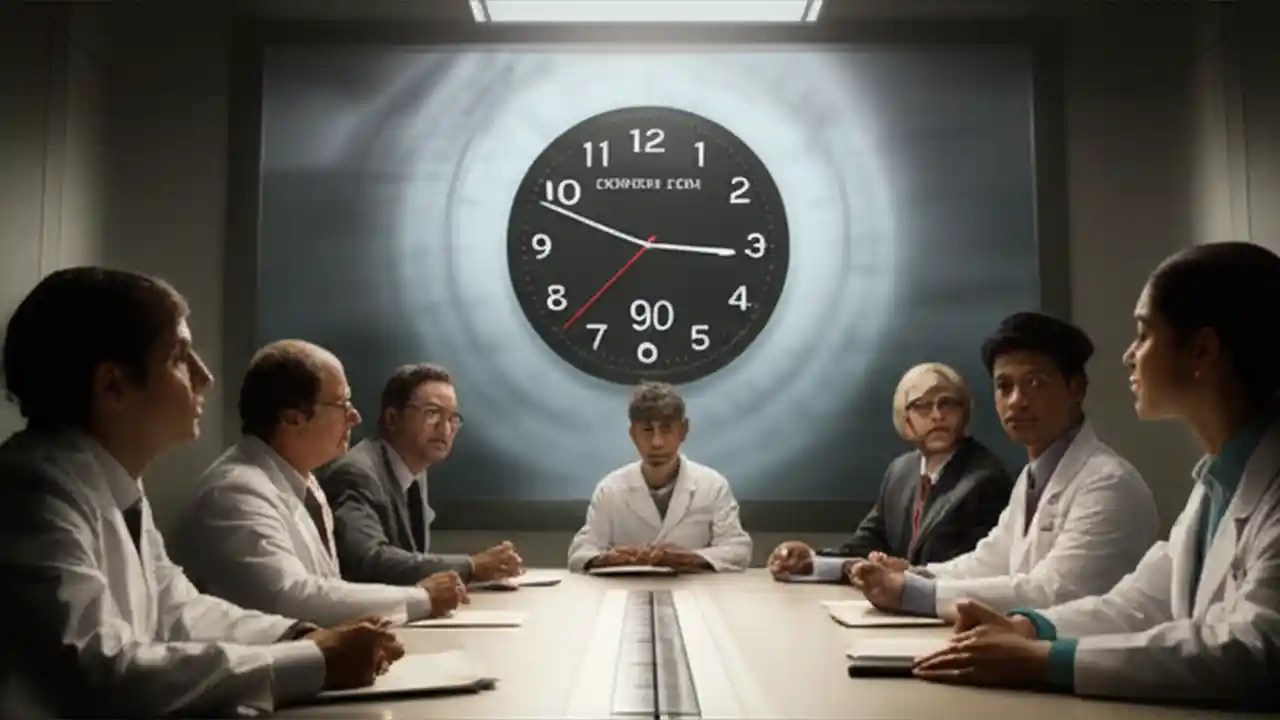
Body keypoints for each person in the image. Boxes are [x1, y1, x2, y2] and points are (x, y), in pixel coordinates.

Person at [0, 268, 401, 717]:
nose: (205, 377)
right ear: (112, 385)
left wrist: (300, 638)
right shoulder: (32, 490)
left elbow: (179, 611)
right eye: (179, 357)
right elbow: (98, 669)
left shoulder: (112, 486)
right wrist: (312, 660)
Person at [913, 242, 1280, 707]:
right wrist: (1031, 628)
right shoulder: (1215, 485)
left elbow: (1257, 653)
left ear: (1203, 350)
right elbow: (1143, 601)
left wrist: (1047, 659)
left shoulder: (1115, 483)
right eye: (1004, 386)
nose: (1129, 356)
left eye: (1144, 333)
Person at [852, 312, 1159, 616]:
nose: (1016, 401)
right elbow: (989, 561)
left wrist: (913, 592)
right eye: (1004, 386)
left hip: (1082, 661)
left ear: (1076, 388)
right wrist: (913, 575)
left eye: (1035, 383)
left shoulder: (1109, 484)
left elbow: (1056, 592)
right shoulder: (1033, 475)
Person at [174, 340, 467, 626]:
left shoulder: (304, 482)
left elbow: (328, 588)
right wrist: (420, 598)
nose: (354, 416)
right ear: (292, 419)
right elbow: (290, 600)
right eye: (342, 403)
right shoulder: (235, 493)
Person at [768, 363, 1012, 581]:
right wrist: (810, 561)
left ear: (965, 412)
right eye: (922, 405)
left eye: (947, 403)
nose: (937, 415)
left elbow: (977, 569)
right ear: (905, 419)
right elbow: (868, 542)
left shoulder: (985, 479)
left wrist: (905, 573)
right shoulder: (900, 471)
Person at [321, 363, 522, 586]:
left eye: (453, 419)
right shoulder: (357, 474)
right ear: (392, 418)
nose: (445, 429)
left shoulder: (415, 470)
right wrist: (471, 566)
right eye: (433, 413)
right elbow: (368, 560)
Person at [568, 381, 752, 573]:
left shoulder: (713, 486)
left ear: (683, 431)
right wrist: (613, 559)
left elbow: (738, 550)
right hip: (624, 594)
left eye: (666, 429)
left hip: (697, 594)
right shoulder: (610, 489)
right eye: (647, 430)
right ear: (632, 434)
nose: (657, 442)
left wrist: (687, 559)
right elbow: (580, 553)